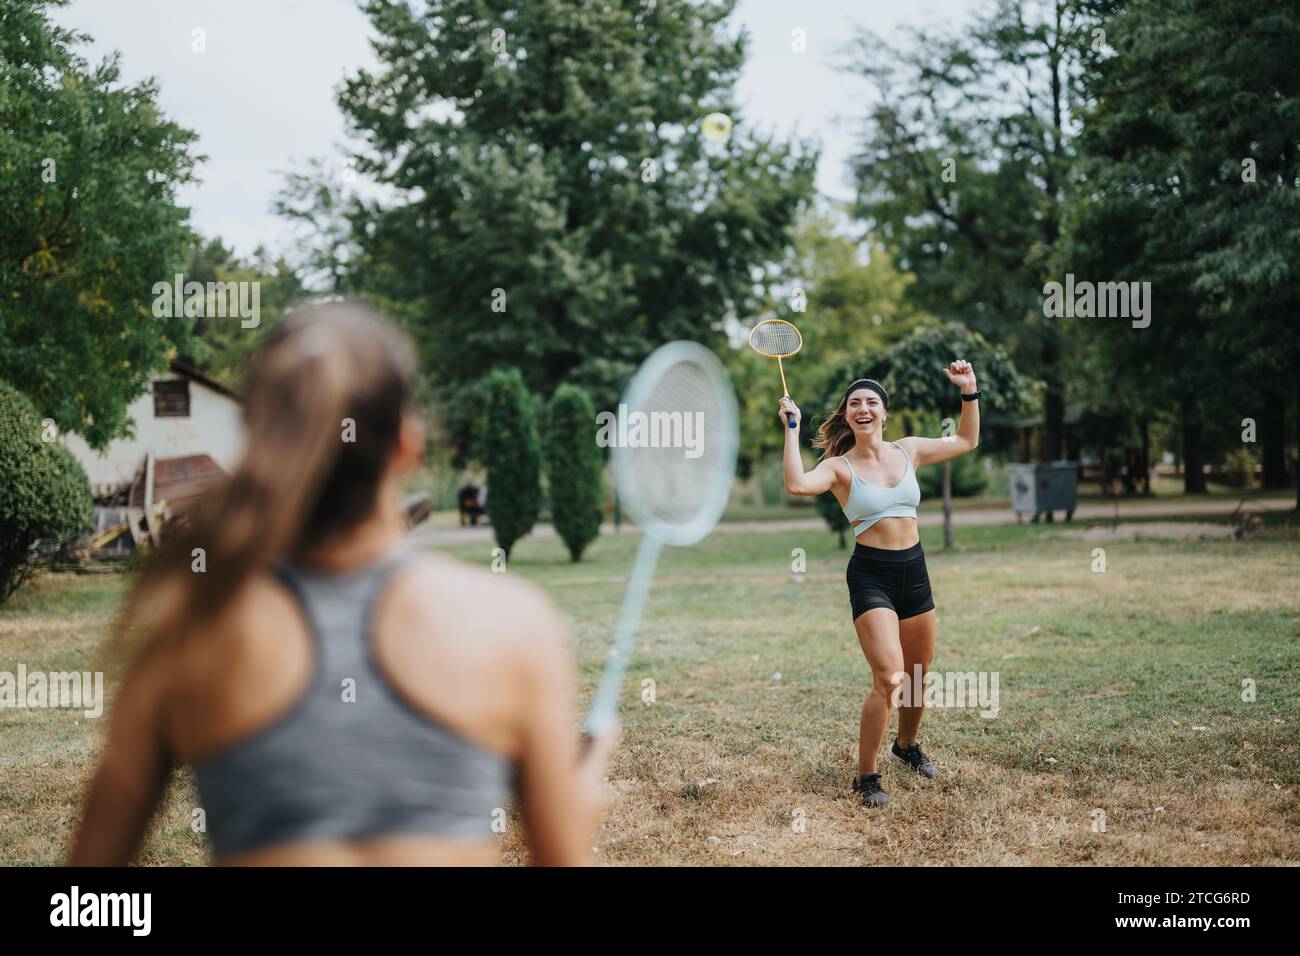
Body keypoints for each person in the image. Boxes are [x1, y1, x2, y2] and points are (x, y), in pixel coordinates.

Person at [69, 302, 614, 865]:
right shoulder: (513, 624)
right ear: (406, 445)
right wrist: (579, 807)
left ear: (260, 438)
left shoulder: (189, 624)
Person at [778, 361, 979, 807]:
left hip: (915, 570)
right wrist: (791, 429)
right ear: (847, 415)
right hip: (872, 574)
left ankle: (906, 747)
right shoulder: (839, 467)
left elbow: (966, 440)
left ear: (884, 414)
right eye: (855, 403)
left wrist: (968, 393)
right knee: (889, 677)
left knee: (918, 676)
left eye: (872, 402)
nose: (863, 408)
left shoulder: (909, 451)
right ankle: (866, 776)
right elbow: (796, 483)